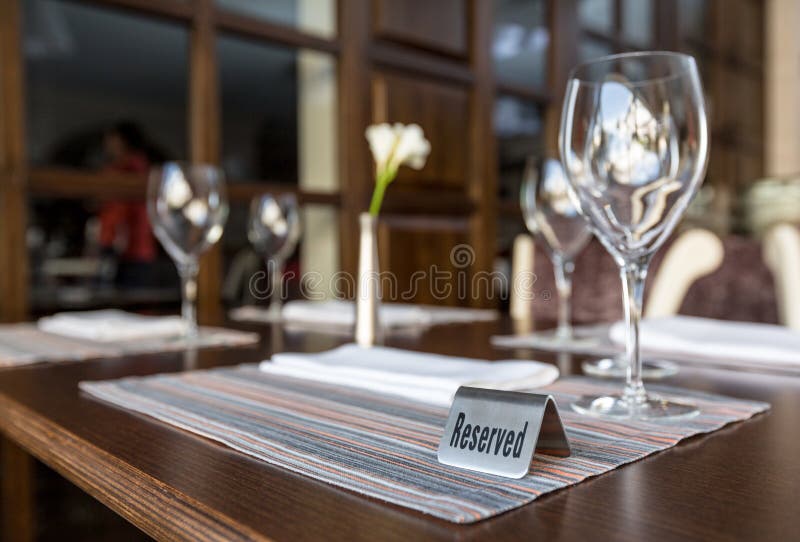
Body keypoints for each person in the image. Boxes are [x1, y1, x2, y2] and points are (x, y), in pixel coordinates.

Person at [98, 121, 163, 287]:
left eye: (111, 139)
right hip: (133, 248)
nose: (108, 144)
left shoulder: (129, 170)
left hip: (129, 249)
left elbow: (121, 211)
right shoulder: (135, 168)